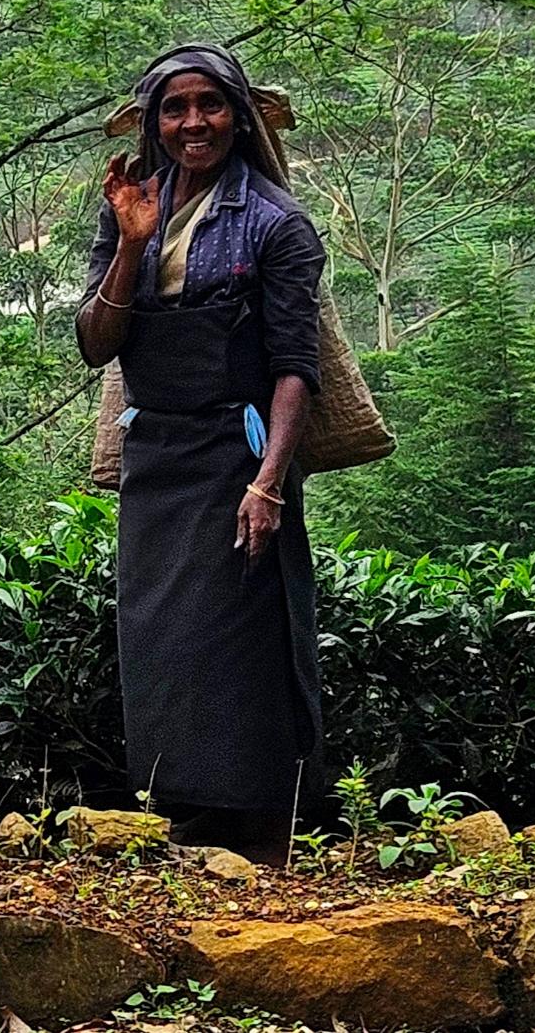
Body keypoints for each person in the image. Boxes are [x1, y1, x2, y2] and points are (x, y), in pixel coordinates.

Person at [75, 44, 326, 864]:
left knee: (242, 638)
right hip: (157, 455)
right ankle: (183, 817)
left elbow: (295, 366)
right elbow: (94, 342)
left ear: (238, 116)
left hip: (236, 454)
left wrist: (269, 484)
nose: (194, 123)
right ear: (152, 123)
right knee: (161, 637)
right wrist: (129, 245)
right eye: (175, 109)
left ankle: (260, 830)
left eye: (210, 106)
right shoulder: (126, 209)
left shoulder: (274, 224)